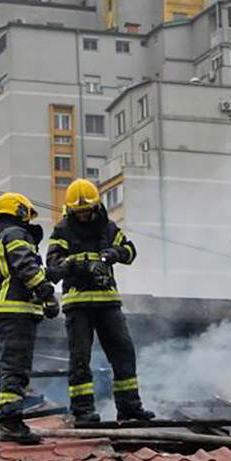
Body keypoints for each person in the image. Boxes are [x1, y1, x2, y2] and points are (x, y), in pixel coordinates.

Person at [46, 179, 154, 423]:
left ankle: (129, 408)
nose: (83, 216)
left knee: (124, 352)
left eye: (87, 211)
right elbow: (52, 268)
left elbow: (130, 251)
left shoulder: (108, 228)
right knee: (80, 358)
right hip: (78, 305)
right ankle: (83, 411)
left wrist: (114, 254)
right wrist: (80, 263)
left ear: (96, 207)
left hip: (108, 303)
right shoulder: (62, 230)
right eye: (78, 212)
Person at [0, 192, 59, 443]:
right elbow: (26, 266)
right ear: (20, 212)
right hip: (15, 312)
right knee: (15, 369)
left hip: (2, 312)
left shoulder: (0, 239)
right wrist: (47, 292)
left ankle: (5, 419)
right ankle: (11, 424)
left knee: (6, 368)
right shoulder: (16, 235)